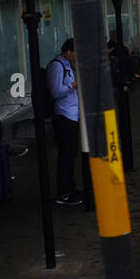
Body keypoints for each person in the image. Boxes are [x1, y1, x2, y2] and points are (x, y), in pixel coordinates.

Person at [47, 38, 82, 206]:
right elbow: (55, 91)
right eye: (75, 53)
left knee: (71, 154)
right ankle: (64, 192)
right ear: (68, 51)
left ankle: (71, 187)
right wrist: (72, 86)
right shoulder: (57, 66)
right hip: (63, 115)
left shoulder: (67, 65)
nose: (76, 57)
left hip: (72, 114)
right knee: (65, 155)